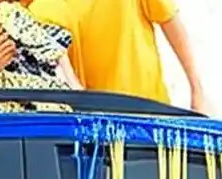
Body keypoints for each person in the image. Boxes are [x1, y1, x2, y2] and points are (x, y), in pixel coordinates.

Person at [31, 0, 208, 112]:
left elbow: (169, 20)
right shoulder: (46, 7)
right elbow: (56, 56)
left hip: (152, 110)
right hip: (101, 122)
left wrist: (197, 91)